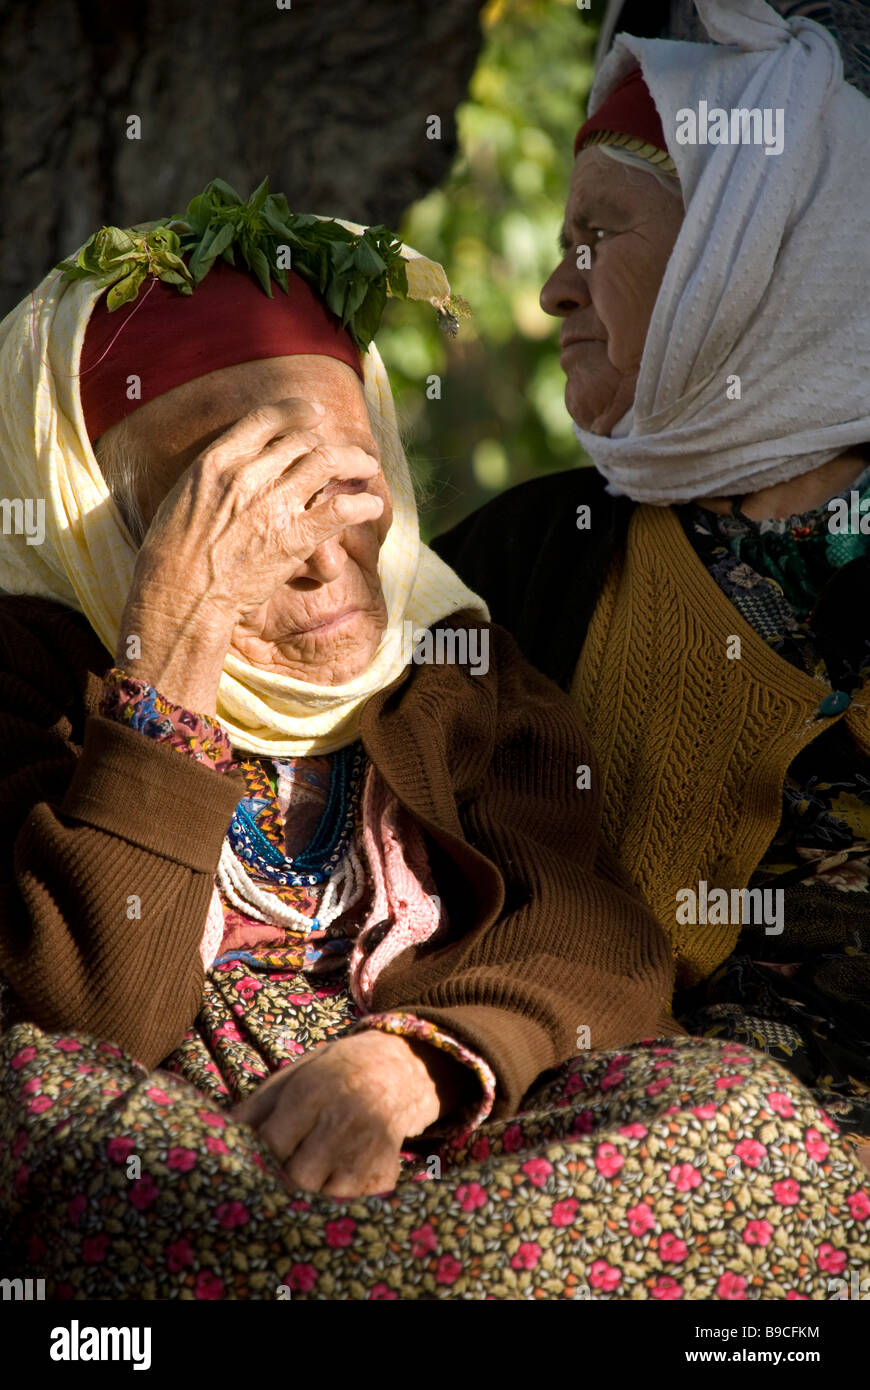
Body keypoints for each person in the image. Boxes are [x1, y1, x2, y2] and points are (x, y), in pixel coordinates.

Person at [0, 176, 865, 1302]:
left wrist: (412, 1061)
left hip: (438, 1152)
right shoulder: (33, 671)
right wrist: (172, 659)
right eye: (236, 508)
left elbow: (597, 940)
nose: (322, 557)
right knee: (51, 1116)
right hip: (187, 1152)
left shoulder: (450, 661)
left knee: (750, 1124)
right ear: (107, 520)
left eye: (343, 482)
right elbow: (90, 1019)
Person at [432, 0, 870, 1190]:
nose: (552, 295)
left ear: (758, 242)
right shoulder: (520, 562)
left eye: (598, 234)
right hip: (597, 1164)